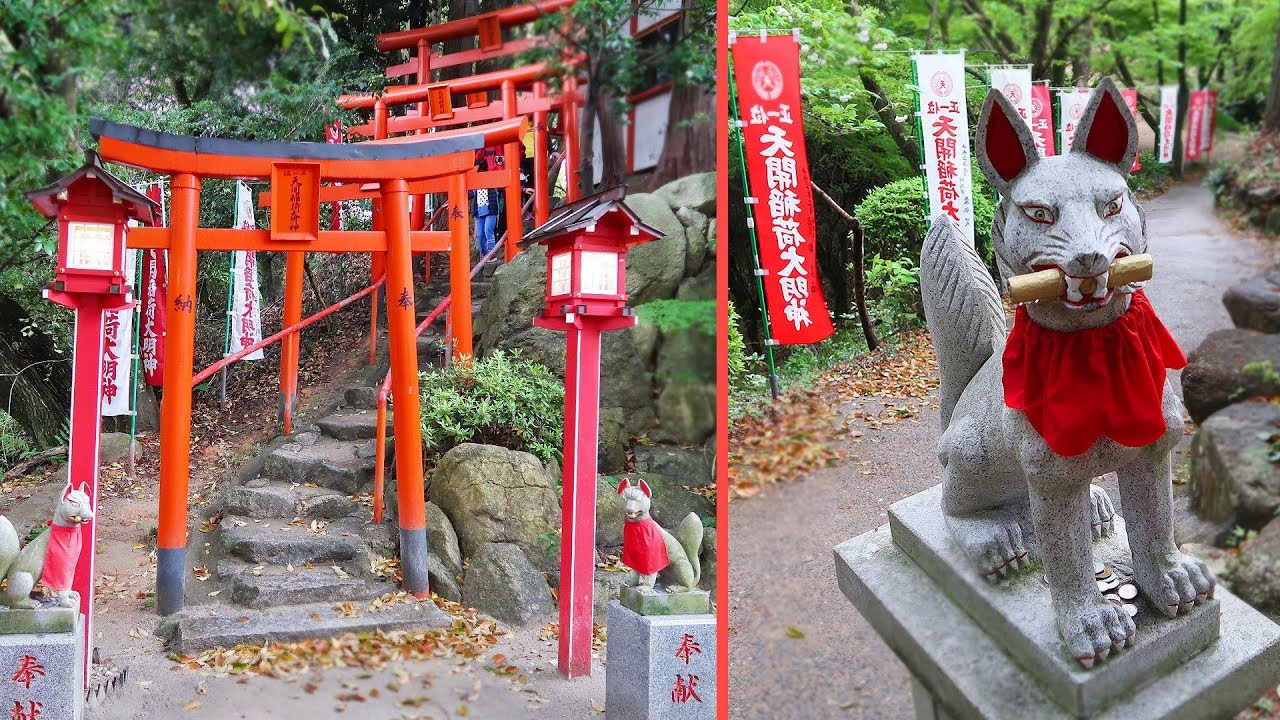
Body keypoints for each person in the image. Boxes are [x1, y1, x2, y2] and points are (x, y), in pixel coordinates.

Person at [469, 147, 504, 258]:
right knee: (480, 235)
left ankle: (491, 255)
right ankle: (485, 255)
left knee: (488, 231)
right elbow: (469, 194)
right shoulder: (474, 183)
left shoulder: (491, 180)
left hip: (490, 210)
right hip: (479, 212)